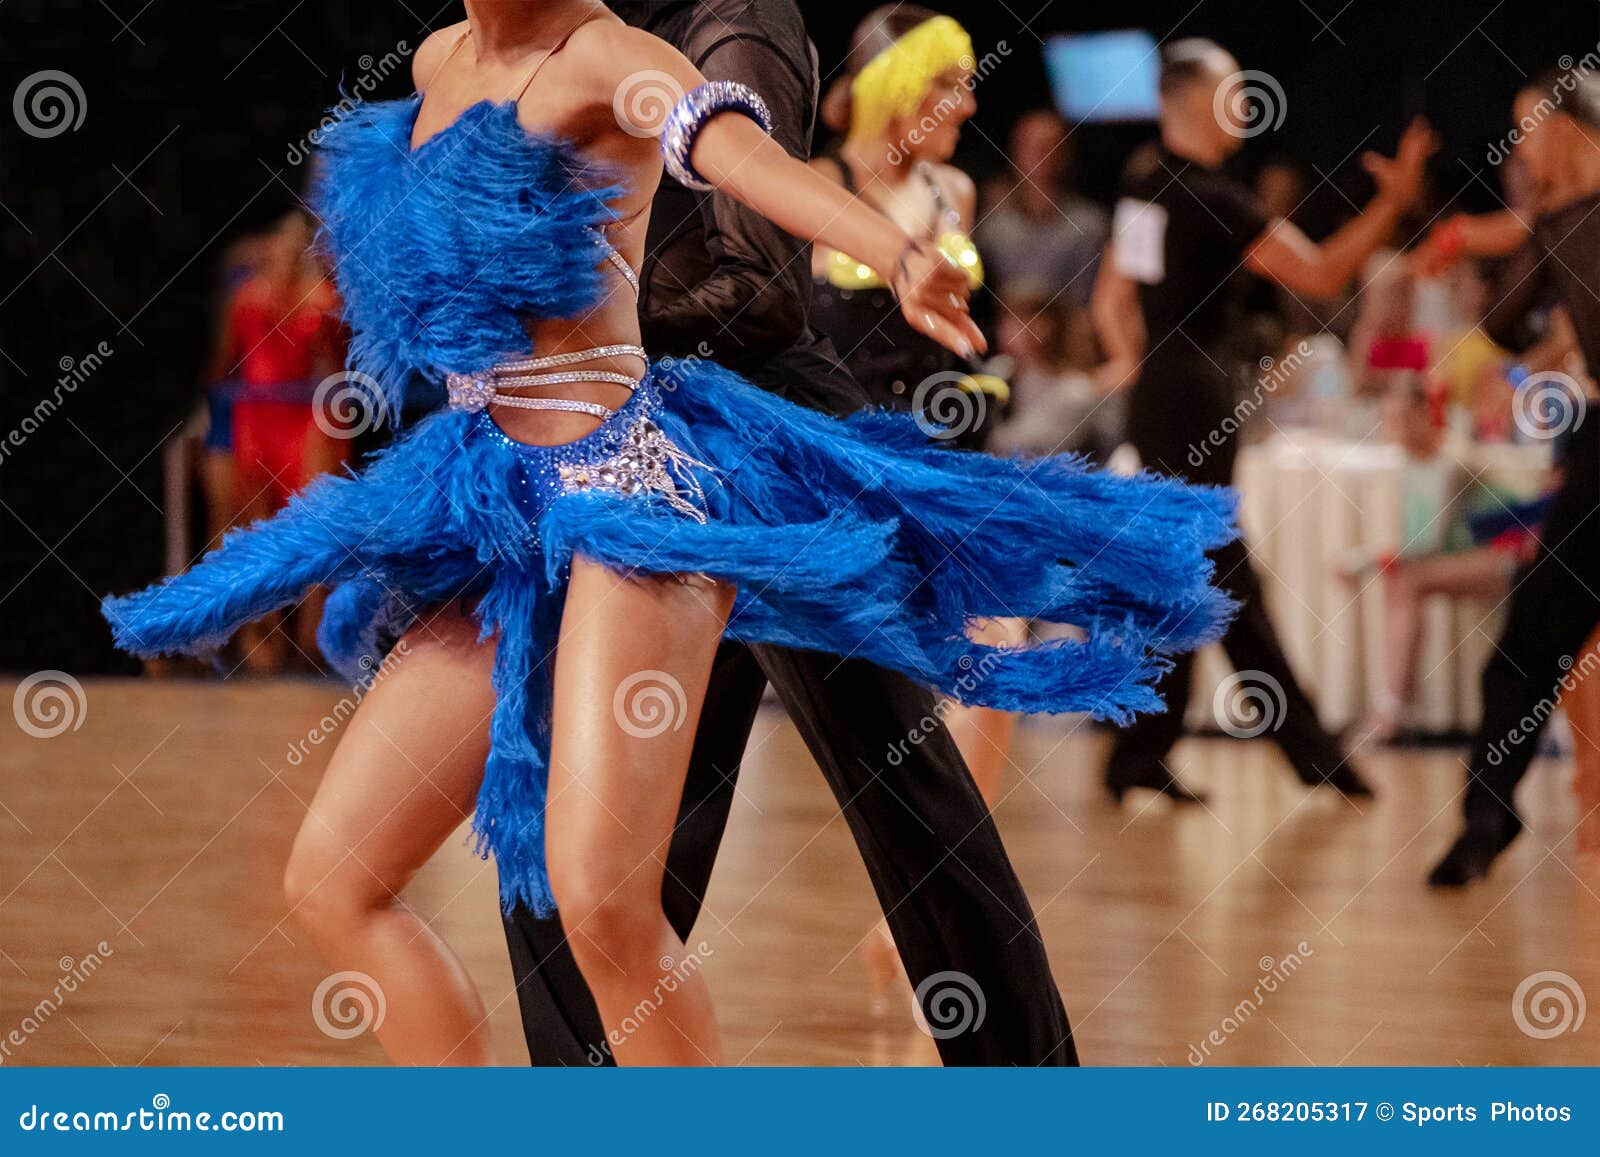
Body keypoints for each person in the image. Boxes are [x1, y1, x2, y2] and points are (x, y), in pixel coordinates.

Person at [103, 1, 1234, 1066]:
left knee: (603, 894)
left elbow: (738, 153)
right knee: (335, 879)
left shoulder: (609, 55)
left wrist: (890, 250)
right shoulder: (440, 62)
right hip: (493, 506)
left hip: (636, 497)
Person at [500, 0, 1078, 1067]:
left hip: (749, 435)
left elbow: (749, 274)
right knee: (587, 822)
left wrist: (585, 348)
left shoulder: (732, 18)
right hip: (632, 447)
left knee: (900, 780)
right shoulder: (579, 32)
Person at [1091, 38, 1435, 804]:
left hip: (1163, 399)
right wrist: (1392, 202)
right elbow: (1320, 272)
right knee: (1224, 578)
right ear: (1195, 102)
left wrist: (1134, 359)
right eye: (1236, 92)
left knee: (1189, 573)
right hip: (1194, 404)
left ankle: (1141, 750)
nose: (1247, 107)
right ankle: (1311, 754)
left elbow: (1112, 295)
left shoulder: (1146, 184)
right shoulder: (1217, 200)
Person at [806, 7, 1024, 991]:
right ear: (896, 84)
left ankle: (940, 892)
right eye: (947, 84)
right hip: (847, 474)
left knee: (999, 657)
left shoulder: (954, 188)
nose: (969, 104)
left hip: (952, 461)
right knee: (869, 707)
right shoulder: (811, 189)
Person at [1419, 65, 1600, 885]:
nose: (1519, 147)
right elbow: (1504, 317)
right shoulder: (1559, 219)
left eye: (1531, 127)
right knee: (1526, 646)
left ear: (1574, 128)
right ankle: (1485, 818)